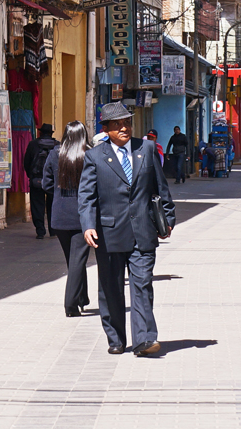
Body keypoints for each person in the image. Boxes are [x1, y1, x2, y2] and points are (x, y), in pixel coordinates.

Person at [79, 102, 176, 357]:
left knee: (142, 284)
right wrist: (88, 225)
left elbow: (160, 187)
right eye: (118, 124)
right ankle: (116, 338)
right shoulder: (94, 156)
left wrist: (168, 218)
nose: (124, 128)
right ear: (106, 129)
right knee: (110, 288)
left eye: (127, 123)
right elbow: (87, 196)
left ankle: (145, 339)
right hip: (108, 234)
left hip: (142, 230)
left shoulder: (145, 149)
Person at [41, 121, 93, 317]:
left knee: (74, 260)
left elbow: (46, 184)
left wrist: (59, 193)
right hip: (82, 215)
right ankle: (71, 305)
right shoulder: (89, 155)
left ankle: (82, 297)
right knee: (78, 260)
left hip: (60, 215)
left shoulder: (55, 154)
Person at [24, 124, 59, 239]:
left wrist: (32, 176)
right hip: (53, 181)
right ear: (51, 133)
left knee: (37, 205)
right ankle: (53, 230)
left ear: (40, 133)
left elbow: (26, 162)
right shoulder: (57, 145)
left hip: (36, 180)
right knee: (53, 205)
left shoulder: (33, 144)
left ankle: (40, 231)